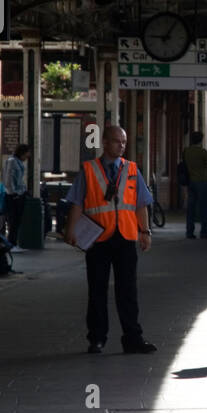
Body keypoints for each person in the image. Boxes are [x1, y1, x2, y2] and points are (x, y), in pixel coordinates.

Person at [65, 124, 156, 355]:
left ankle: (133, 338)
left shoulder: (132, 169)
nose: (121, 146)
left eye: (124, 142)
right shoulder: (88, 170)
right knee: (97, 290)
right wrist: (71, 230)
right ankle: (96, 339)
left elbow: (141, 204)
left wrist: (145, 232)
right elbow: (76, 202)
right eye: (117, 141)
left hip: (125, 237)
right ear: (104, 142)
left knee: (128, 291)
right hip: (98, 239)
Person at [182, 131, 207, 239]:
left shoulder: (187, 151)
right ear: (201, 140)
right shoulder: (203, 152)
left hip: (191, 181)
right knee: (204, 207)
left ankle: (189, 231)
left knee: (191, 208)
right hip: (202, 181)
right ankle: (204, 231)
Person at [4, 143, 30, 244]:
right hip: (14, 196)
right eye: (27, 154)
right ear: (22, 153)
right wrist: (13, 193)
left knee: (17, 220)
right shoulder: (12, 162)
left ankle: (13, 241)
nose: (27, 157)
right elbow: (9, 179)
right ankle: (11, 242)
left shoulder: (17, 162)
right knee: (13, 220)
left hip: (18, 194)